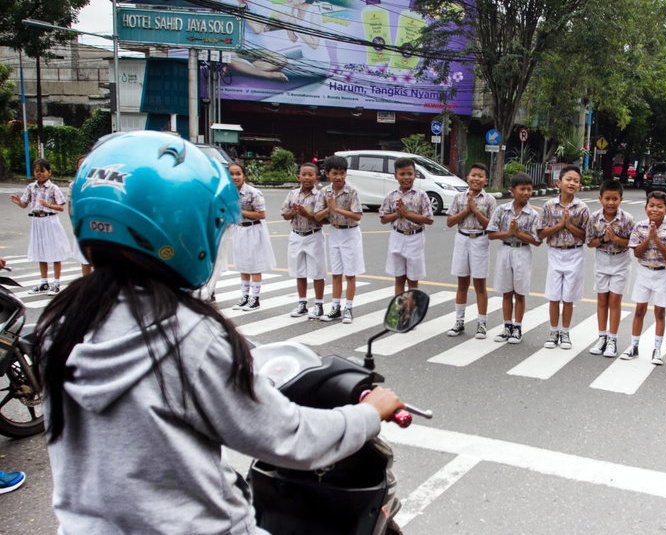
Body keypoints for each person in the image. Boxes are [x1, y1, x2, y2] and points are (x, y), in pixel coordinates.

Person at [36, 131, 405, 534]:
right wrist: (369, 413)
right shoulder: (187, 334)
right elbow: (291, 438)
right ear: (184, 225)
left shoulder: (60, 322)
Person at [620, 191, 666, 360]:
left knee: (660, 313)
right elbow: (638, 253)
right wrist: (649, 238)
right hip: (644, 272)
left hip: (662, 274)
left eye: (660, 206)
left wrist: (657, 239)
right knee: (639, 310)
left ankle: (657, 349)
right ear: (646, 207)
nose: (655, 209)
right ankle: (634, 346)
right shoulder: (639, 227)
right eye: (651, 205)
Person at [538, 165, 591, 349]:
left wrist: (569, 225)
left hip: (574, 253)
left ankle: (565, 332)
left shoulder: (582, 208)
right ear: (559, 182)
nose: (572, 183)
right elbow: (541, 233)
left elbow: (587, 237)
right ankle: (553, 332)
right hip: (555, 253)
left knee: (568, 297)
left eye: (576, 181)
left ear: (579, 186)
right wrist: (560, 225)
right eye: (568, 179)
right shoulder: (549, 206)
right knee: (554, 296)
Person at [486, 172, 541, 344]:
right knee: (507, 291)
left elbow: (537, 241)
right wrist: (509, 233)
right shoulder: (502, 210)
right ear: (512, 190)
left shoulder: (533, 214)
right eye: (522, 189)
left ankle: (517, 327)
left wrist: (518, 234)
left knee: (520, 291)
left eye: (529, 189)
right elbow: (491, 234)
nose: (526, 193)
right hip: (505, 250)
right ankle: (507, 326)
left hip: (522, 252)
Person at [585, 179, 635, 358]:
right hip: (602, 260)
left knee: (615, 301)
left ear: (621, 199)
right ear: (600, 199)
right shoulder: (594, 218)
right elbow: (590, 242)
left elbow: (633, 243)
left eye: (615, 199)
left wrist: (615, 238)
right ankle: (602, 337)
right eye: (607, 198)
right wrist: (605, 240)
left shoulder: (627, 219)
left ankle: (612, 339)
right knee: (602, 300)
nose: (611, 203)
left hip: (620, 261)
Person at [446, 163, 497, 338]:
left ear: (486, 181)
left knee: (480, 285)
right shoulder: (459, 197)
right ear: (467, 177)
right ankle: (459, 321)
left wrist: (475, 211)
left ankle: (482, 324)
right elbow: (450, 222)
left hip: (480, 239)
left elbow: (491, 226)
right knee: (462, 283)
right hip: (462, 238)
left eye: (480, 176)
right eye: (473, 175)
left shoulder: (489, 200)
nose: (476, 179)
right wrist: (466, 210)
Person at [8, 158, 71, 295]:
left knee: (54, 251)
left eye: (42, 171)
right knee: (40, 251)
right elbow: (25, 204)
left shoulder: (53, 188)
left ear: (49, 172)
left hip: (50, 220)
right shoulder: (31, 187)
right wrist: (18, 202)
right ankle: (44, 282)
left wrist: (48, 205)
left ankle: (56, 282)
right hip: (37, 221)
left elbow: (60, 207)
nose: (39, 174)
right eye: (37, 171)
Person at [319, 155, 364, 323]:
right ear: (328, 174)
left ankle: (349, 308)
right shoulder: (325, 192)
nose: (339, 177)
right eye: (335, 173)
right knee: (336, 273)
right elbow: (318, 215)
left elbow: (357, 215)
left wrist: (336, 209)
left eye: (342, 173)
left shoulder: (352, 191)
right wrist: (328, 211)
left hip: (350, 233)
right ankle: (335, 307)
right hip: (335, 232)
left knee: (350, 274)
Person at [380, 157, 434, 295]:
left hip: (415, 238)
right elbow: (384, 218)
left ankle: (411, 311)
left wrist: (407, 214)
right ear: (396, 176)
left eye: (410, 174)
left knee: (413, 279)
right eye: (402, 174)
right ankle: (399, 310)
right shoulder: (391, 196)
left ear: (415, 175)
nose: (406, 177)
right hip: (397, 236)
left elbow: (429, 219)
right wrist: (398, 214)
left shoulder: (421, 196)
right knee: (399, 278)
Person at [282, 162, 328, 319]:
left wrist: (306, 213)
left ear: (316, 177)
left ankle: (319, 304)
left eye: (310, 175)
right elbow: (285, 214)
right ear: (298, 176)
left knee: (317, 271)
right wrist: (293, 212)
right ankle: (302, 303)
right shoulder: (293, 194)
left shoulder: (320, 195)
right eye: (304, 174)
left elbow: (320, 219)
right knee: (298, 270)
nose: (307, 178)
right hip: (296, 234)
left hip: (313, 235)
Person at [229, 162, 277, 312]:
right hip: (239, 229)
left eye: (238, 173)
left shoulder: (253, 192)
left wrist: (241, 211)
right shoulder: (229, 192)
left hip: (254, 229)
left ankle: (255, 298)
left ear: (244, 175)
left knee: (255, 264)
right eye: (231, 174)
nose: (235, 177)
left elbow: (261, 214)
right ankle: (244, 296)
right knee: (243, 264)